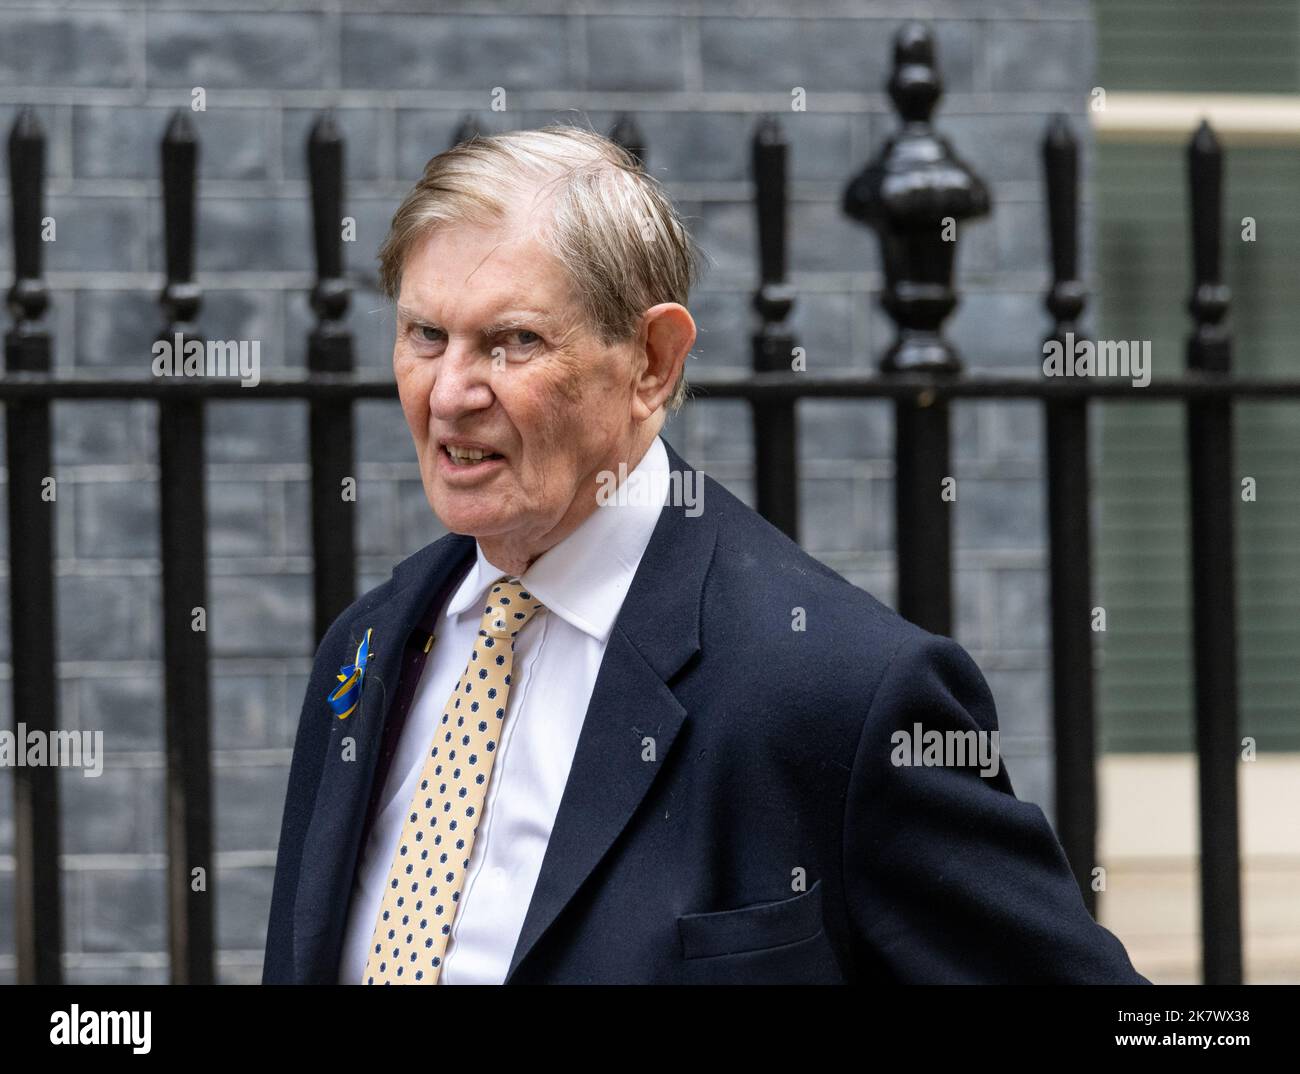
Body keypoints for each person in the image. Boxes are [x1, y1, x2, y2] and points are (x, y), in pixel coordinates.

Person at [263, 125, 1147, 985]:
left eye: (513, 341)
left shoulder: (842, 693)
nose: (450, 393)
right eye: (425, 335)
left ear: (652, 360)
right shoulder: (366, 651)